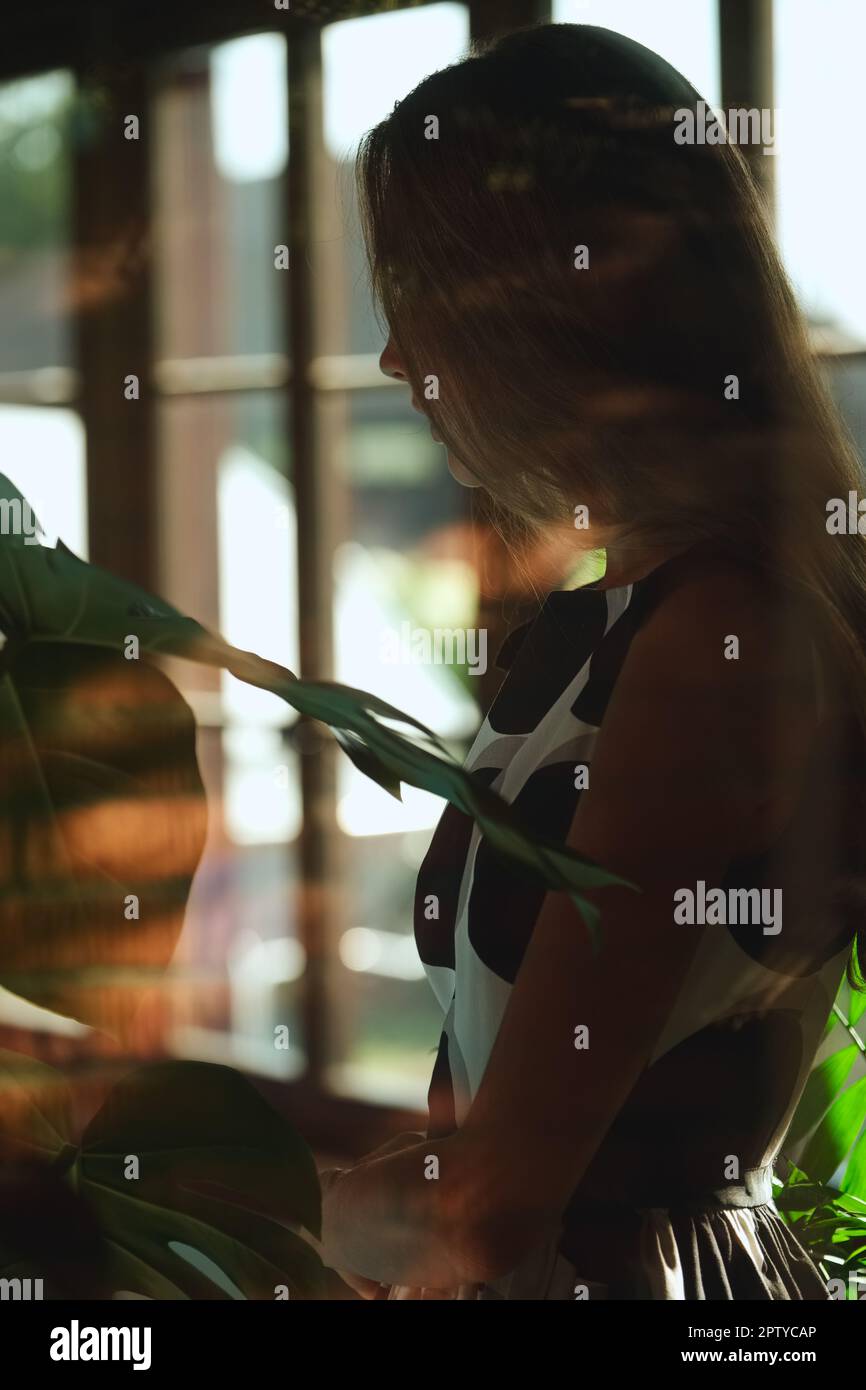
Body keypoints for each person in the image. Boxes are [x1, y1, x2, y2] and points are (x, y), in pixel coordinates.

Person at [316, 23, 866, 1300]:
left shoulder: (711, 642)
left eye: (423, 292)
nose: (396, 356)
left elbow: (493, 1210)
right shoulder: (618, 616)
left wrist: (202, 1197)